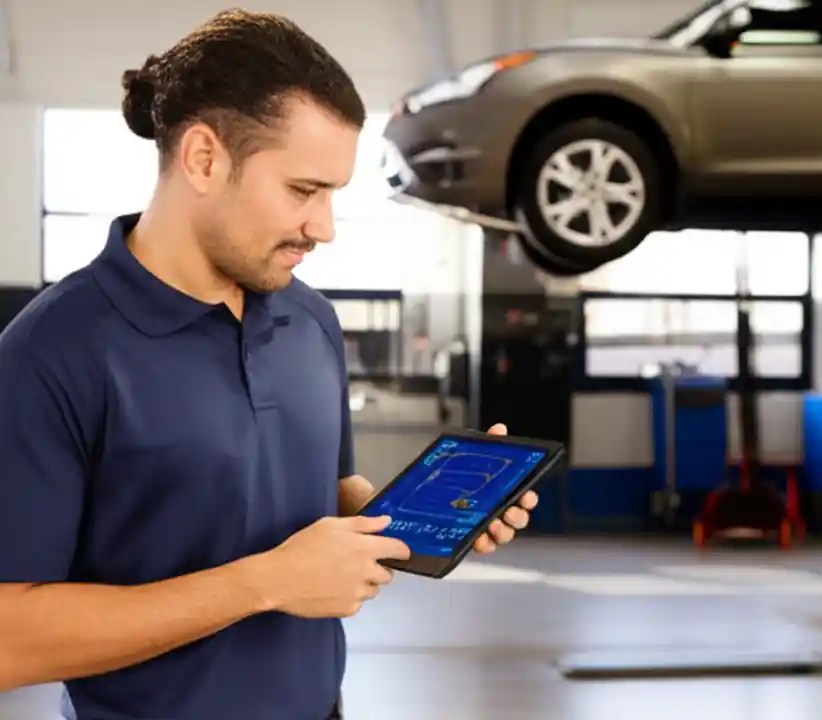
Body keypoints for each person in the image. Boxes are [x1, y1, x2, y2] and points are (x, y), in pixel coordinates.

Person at [0, 9, 537, 719]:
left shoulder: (309, 319)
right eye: (303, 191)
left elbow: (327, 491)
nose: (324, 227)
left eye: (333, 196)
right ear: (203, 158)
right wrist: (266, 584)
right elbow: (10, 638)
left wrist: (421, 523)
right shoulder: (51, 353)